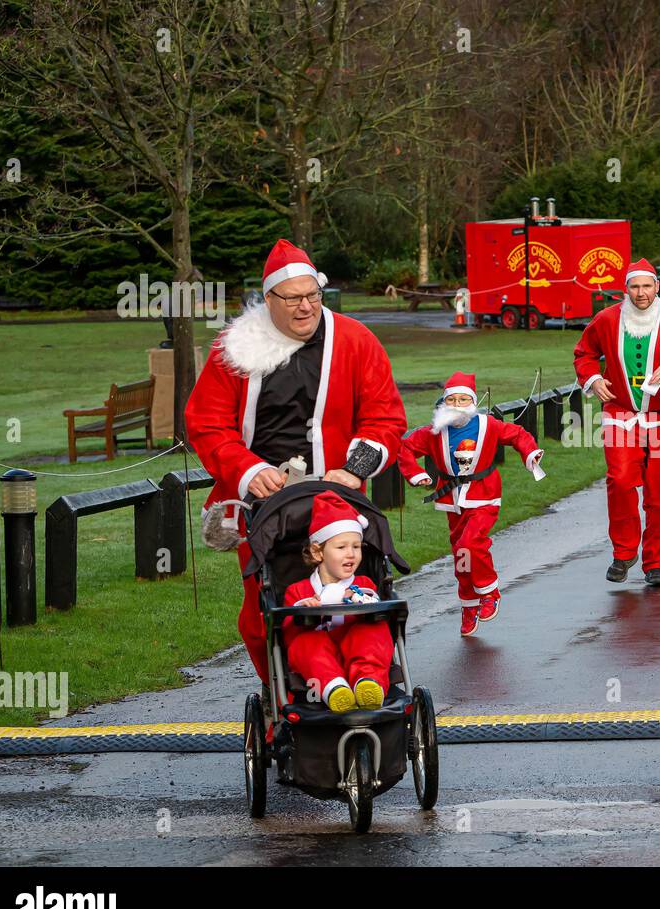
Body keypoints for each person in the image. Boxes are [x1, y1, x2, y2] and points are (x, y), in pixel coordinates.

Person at [186, 239, 407, 686]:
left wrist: (356, 467)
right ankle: (283, 697)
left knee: (354, 599)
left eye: (313, 296)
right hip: (263, 505)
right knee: (262, 613)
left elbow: (385, 416)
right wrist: (249, 471)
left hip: (337, 499)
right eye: (293, 299)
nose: (306, 307)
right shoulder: (233, 351)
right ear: (268, 300)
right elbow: (207, 425)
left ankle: (360, 682)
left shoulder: (355, 340)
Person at [573, 258, 660, 586]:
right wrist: (593, 379)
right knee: (620, 480)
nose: (641, 293)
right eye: (635, 287)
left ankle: (655, 562)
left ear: (657, 287)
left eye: (647, 286)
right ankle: (624, 551)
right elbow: (584, 353)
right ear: (626, 289)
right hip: (621, 415)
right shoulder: (607, 319)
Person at [397, 373, 545, 636]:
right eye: (451, 399)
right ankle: (469, 603)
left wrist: (530, 454)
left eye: (463, 399)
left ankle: (490, 591)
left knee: (471, 543)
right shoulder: (434, 431)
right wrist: (416, 473)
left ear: (473, 402)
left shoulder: (489, 425)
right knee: (461, 555)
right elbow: (403, 447)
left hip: (484, 494)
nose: (457, 404)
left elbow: (518, 435)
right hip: (451, 498)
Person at [282, 491, 392, 712]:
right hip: (320, 662)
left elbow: (372, 601)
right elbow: (286, 631)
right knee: (305, 643)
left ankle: (368, 683)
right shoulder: (298, 591)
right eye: (341, 548)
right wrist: (303, 611)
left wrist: (358, 598)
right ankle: (335, 689)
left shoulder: (363, 583)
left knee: (373, 630)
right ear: (317, 552)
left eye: (356, 547)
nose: (351, 554)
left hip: (356, 649)